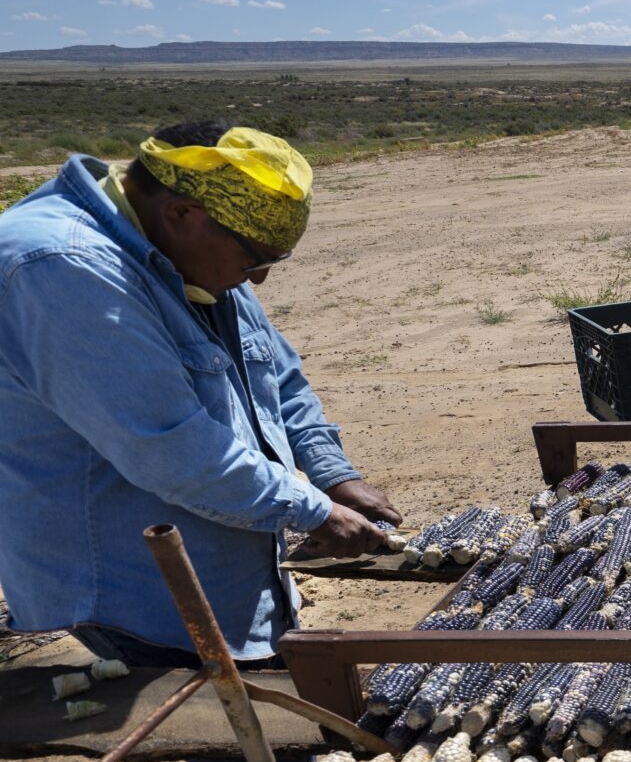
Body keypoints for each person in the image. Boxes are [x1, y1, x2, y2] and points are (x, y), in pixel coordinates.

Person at [0, 120, 398, 667]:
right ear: (183, 214)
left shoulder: (192, 256)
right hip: (136, 590)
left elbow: (277, 374)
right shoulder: (65, 269)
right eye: (256, 258)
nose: (258, 280)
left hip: (218, 569)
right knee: (233, 734)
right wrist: (314, 511)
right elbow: (167, 445)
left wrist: (333, 473)